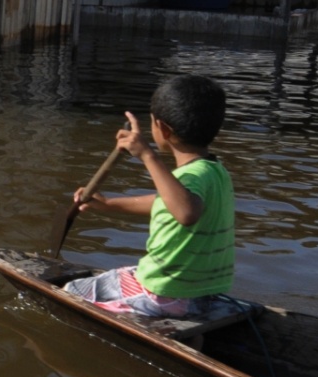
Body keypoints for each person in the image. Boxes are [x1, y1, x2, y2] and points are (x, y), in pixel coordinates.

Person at [63, 74, 235, 318]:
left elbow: (185, 212)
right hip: (203, 294)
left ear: (162, 129)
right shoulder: (216, 172)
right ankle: (193, 334)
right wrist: (110, 204)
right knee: (125, 273)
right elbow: (169, 203)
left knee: (72, 289)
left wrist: (147, 155)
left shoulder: (190, 178)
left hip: (165, 294)